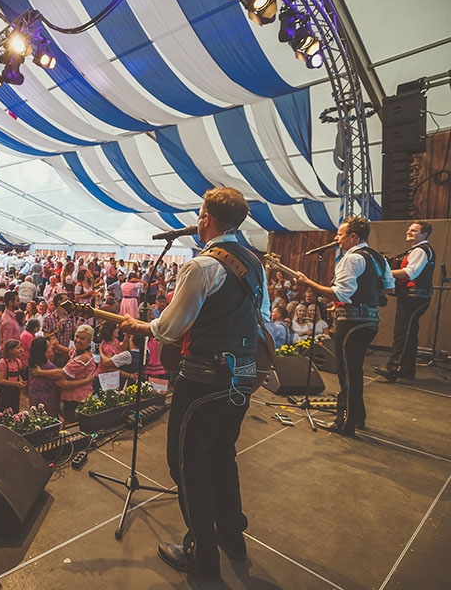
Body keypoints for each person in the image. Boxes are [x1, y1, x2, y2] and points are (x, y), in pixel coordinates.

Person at [120, 187, 269, 580]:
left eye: (200, 215)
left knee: (187, 465)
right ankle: (232, 537)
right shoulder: (255, 262)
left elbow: (170, 327)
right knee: (223, 454)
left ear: (206, 218)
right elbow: (262, 316)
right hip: (243, 375)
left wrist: (142, 325)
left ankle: (202, 555)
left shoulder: (203, 266)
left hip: (204, 378)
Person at [297, 216, 394, 435]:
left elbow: (340, 292)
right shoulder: (378, 258)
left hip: (351, 323)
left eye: (340, 235)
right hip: (370, 321)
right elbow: (389, 288)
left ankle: (347, 422)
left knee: (346, 373)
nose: (336, 238)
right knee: (355, 370)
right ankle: (358, 416)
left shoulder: (352, 259)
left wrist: (308, 283)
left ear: (353, 237)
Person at [375, 221, 435, 382]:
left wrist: (385, 273)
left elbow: (410, 273)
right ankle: (407, 370)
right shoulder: (418, 250)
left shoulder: (421, 251)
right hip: (415, 297)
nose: (409, 232)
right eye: (409, 229)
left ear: (425, 234)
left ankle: (393, 369)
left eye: (414, 230)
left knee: (403, 333)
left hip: (413, 297)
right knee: (409, 333)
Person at [31, 324, 97, 426]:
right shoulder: (77, 352)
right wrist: (58, 346)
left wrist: (41, 373)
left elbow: (62, 374)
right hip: (50, 400)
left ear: (89, 341)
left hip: (76, 397)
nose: (78, 340)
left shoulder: (84, 358)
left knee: (71, 425)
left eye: (82, 338)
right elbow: (70, 352)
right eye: (77, 337)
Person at [27, 337, 61, 417]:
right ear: (43, 352)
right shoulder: (49, 367)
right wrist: (86, 380)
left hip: (34, 400)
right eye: (49, 347)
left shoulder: (33, 362)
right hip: (47, 403)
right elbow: (64, 384)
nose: (52, 347)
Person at [0, 339, 26, 414]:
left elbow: (18, 374)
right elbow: (1, 380)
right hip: (5, 391)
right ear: (10, 350)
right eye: (18, 348)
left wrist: (21, 380)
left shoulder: (18, 362)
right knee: (3, 411)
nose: (20, 350)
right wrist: (16, 383)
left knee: (14, 409)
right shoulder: (3, 363)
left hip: (15, 391)